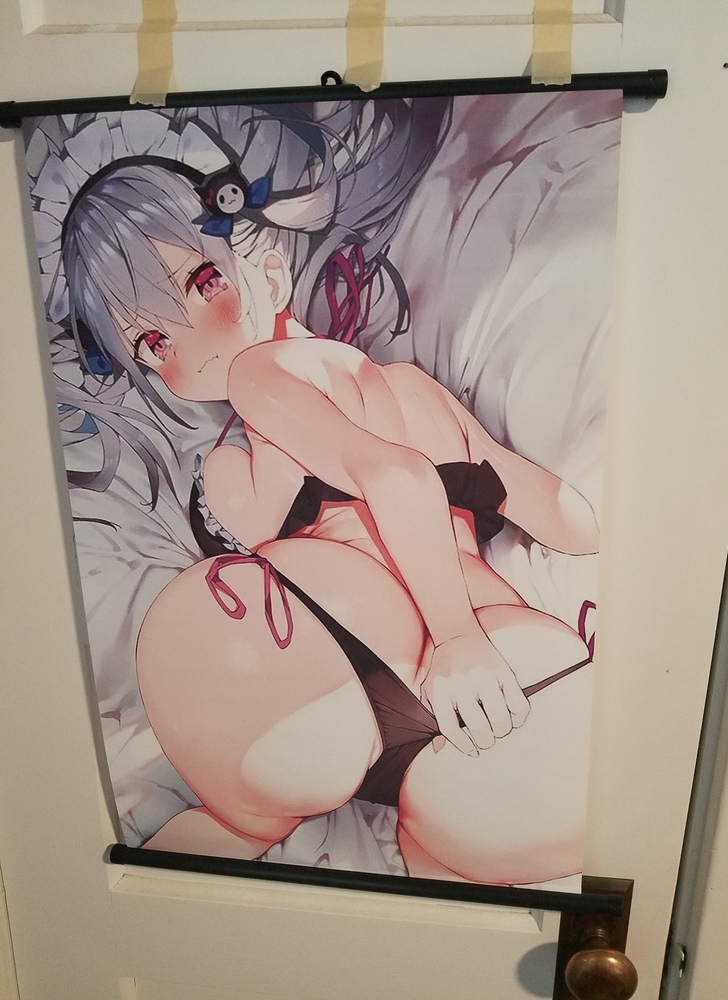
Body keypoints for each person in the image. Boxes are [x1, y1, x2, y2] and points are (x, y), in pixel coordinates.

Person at [45, 99, 599, 885]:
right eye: (154, 342)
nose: (191, 344)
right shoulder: (412, 393)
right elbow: (561, 512)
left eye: (202, 282)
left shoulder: (263, 375)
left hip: (460, 674)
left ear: (264, 263)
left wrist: (455, 640)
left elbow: (396, 477)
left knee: (232, 833)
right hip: (505, 679)